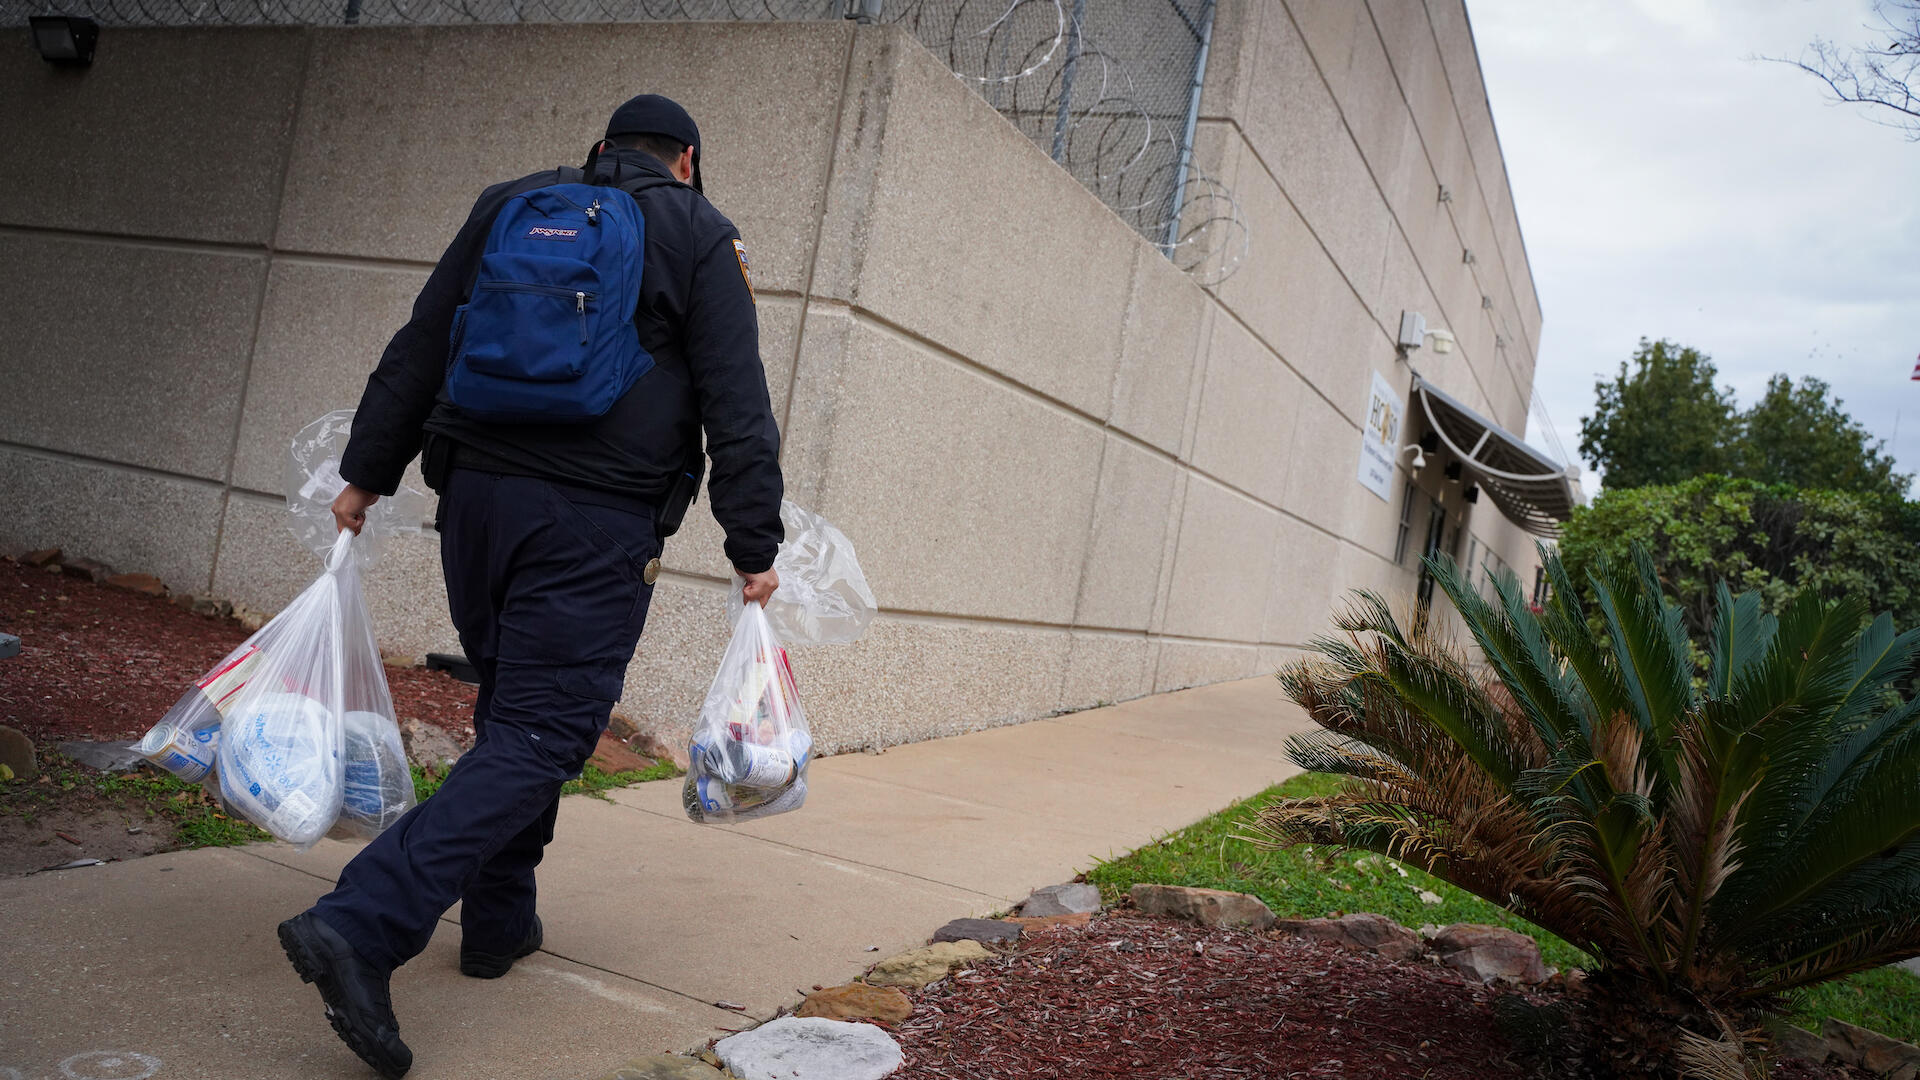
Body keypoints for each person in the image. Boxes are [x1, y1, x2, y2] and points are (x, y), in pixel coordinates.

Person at [275, 94, 784, 1079]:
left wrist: (365, 473)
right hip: (592, 521)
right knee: (546, 730)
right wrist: (752, 542)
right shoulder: (700, 232)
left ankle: (499, 920)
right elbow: (737, 398)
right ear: (686, 160)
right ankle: (362, 924)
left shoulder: (510, 203)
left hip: (473, 503)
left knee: (517, 708)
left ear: (600, 149)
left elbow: (422, 343)